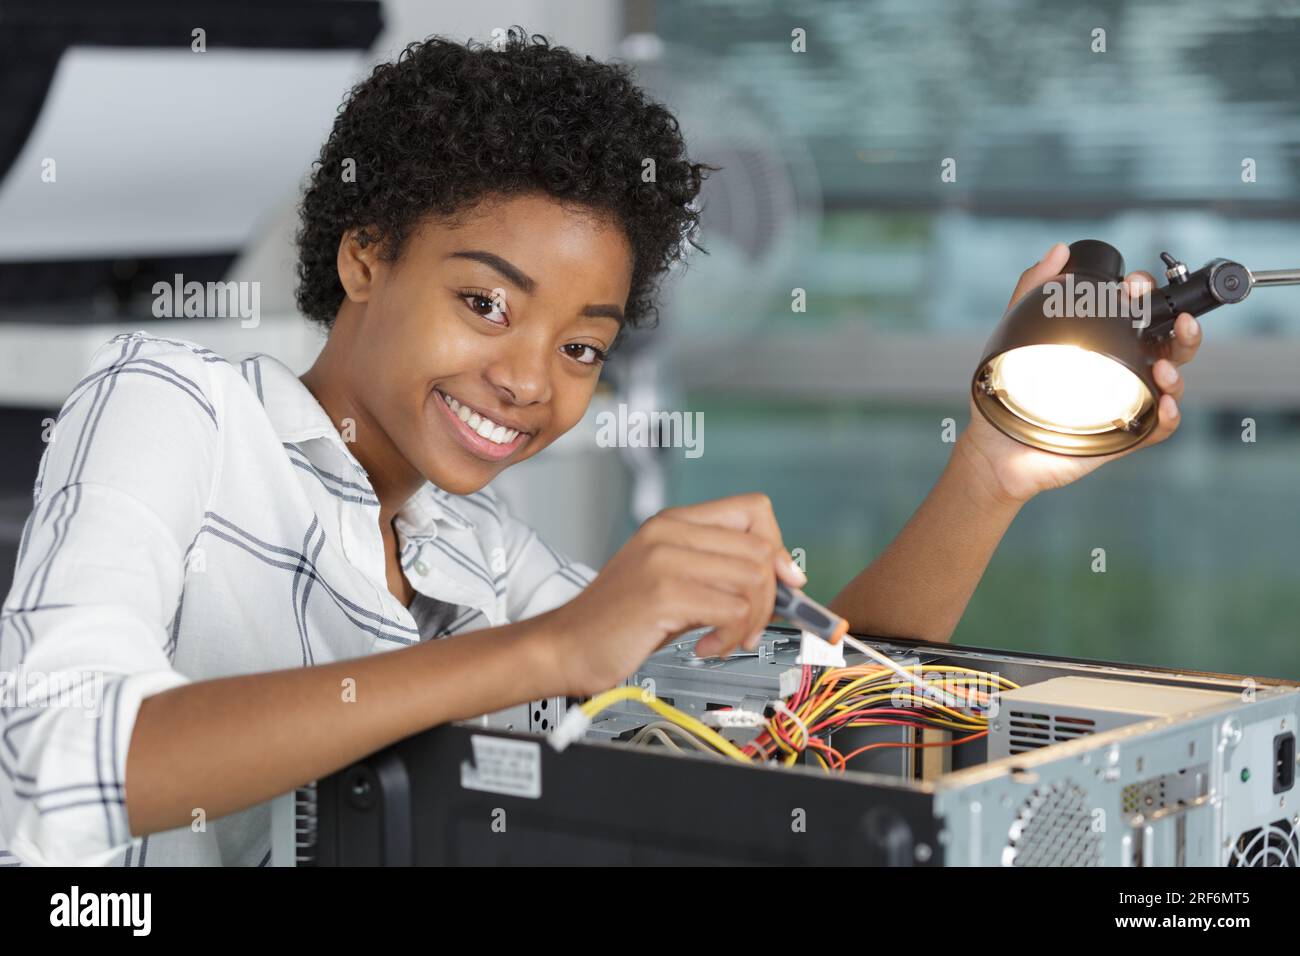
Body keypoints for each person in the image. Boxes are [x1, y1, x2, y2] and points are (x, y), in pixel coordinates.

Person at [0, 29, 1201, 866]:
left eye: (583, 347)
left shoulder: (480, 556)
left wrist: (987, 471)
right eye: (485, 303)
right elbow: (61, 761)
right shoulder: (170, 410)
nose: (528, 379)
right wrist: (554, 646)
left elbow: (809, 730)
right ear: (365, 255)